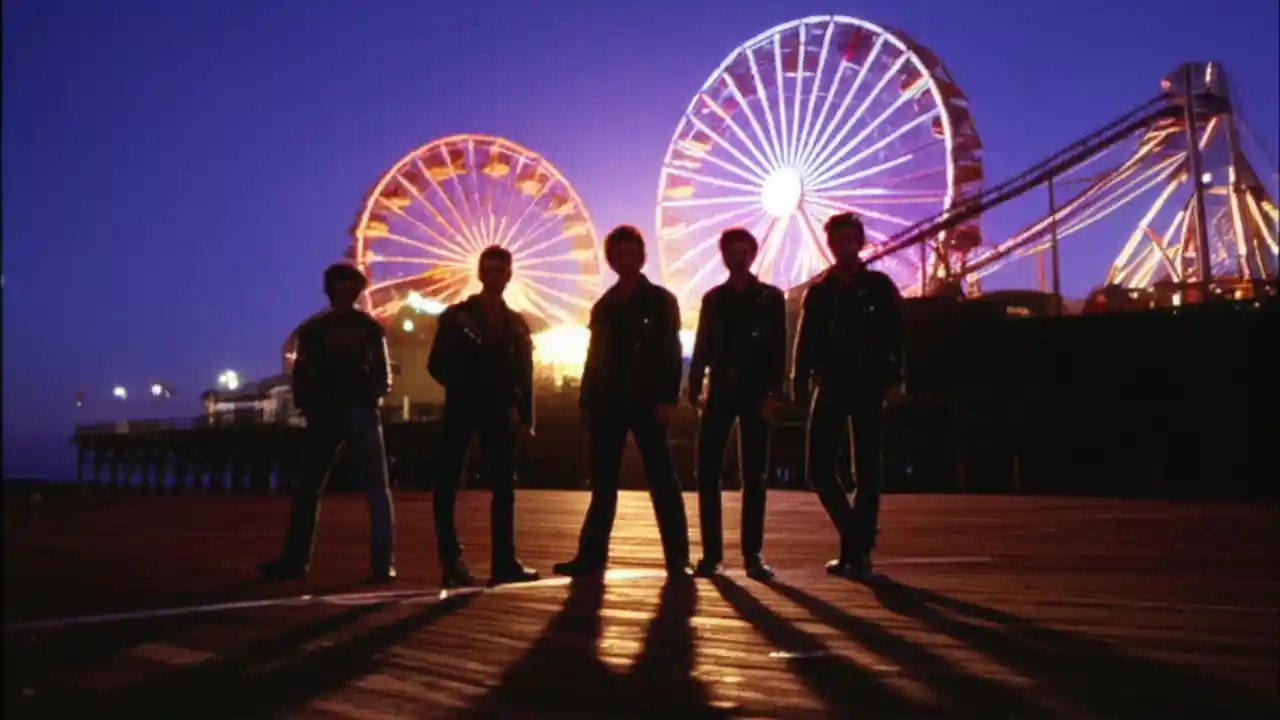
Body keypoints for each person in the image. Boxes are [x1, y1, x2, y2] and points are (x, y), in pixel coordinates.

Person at [553, 225, 692, 578]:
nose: (626, 261)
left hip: (647, 400)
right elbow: (594, 356)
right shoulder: (605, 306)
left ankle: (678, 558)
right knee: (603, 481)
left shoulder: (662, 301)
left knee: (662, 478)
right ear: (610, 259)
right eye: (620, 255)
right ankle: (591, 555)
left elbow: (670, 353)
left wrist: (668, 398)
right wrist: (587, 399)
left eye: (632, 254)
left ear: (642, 257)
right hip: (608, 400)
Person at [259, 263, 396, 583]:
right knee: (361, 488)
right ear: (333, 291)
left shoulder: (325, 330)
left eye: (352, 290)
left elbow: (381, 377)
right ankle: (379, 563)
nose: (349, 295)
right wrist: (318, 403)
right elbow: (305, 376)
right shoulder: (356, 330)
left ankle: (298, 561)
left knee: (321, 487)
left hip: (344, 411)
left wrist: (317, 403)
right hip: (340, 412)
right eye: (344, 289)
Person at [793, 212, 905, 577]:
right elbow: (805, 339)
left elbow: (897, 336)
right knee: (818, 469)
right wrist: (798, 379)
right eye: (836, 240)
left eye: (848, 239)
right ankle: (858, 541)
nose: (842, 246)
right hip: (830, 382)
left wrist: (896, 378)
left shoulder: (878, 286)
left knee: (868, 470)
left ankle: (854, 554)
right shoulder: (819, 290)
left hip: (868, 382)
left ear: (859, 242)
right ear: (829, 245)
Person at [427, 246, 540, 588]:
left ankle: (504, 561)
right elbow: (436, 364)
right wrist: (469, 385)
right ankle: (451, 560)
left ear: (509, 274)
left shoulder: (517, 324)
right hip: (463, 406)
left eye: (499, 271)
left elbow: (526, 373)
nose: (493, 276)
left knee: (505, 487)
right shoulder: (456, 317)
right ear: (479, 274)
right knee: (447, 483)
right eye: (488, 270)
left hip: (498, 412)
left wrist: (526, 416)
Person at [686, 228, 787, 580]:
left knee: (754, 474)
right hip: (721, 391)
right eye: (732, 252)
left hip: (756, 391)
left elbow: (779, 349)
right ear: (723, 256)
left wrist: (775, 393)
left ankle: (752, 553)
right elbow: (701, 344)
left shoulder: (771, 298)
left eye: (744, 251)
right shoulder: (713, 299)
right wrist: (694, 383)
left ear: (753, 254)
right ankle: (712, 554)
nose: (738, 257)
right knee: (707, 471)